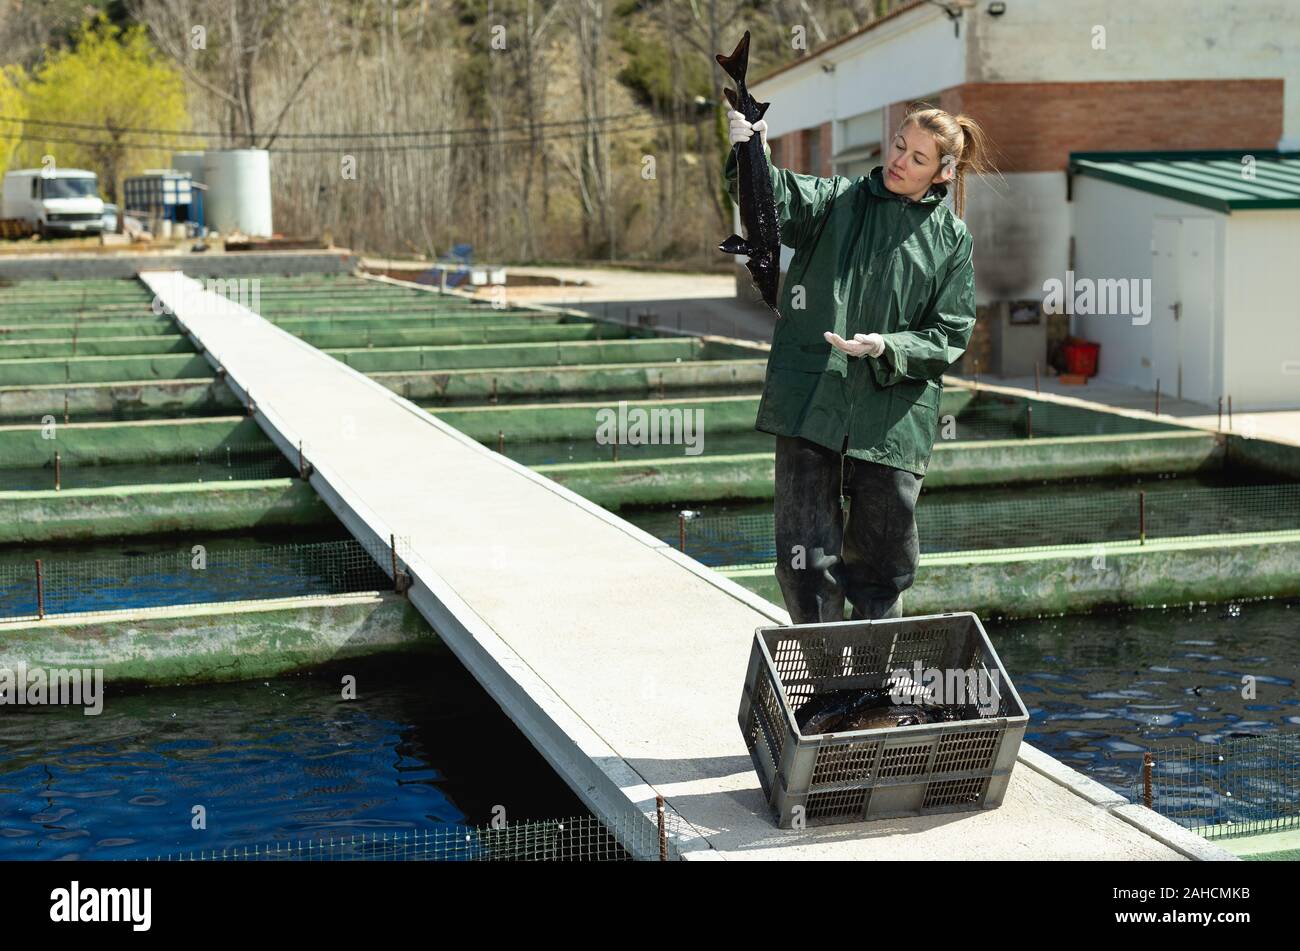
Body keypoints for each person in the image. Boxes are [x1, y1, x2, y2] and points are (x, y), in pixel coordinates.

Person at [722, 104, 995, 627]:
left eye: (917, 157)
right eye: (898, 145)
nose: (899, 161)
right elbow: (771, 198)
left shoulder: (952, 242)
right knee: (806, 558)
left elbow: (951, 332)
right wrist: (749, 149)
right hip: (812, 403)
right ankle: (823, 673)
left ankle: (876, 684)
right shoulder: (836, 202)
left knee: (882, 562)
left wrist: (888, 348)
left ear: (942, 172)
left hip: (893, 419)